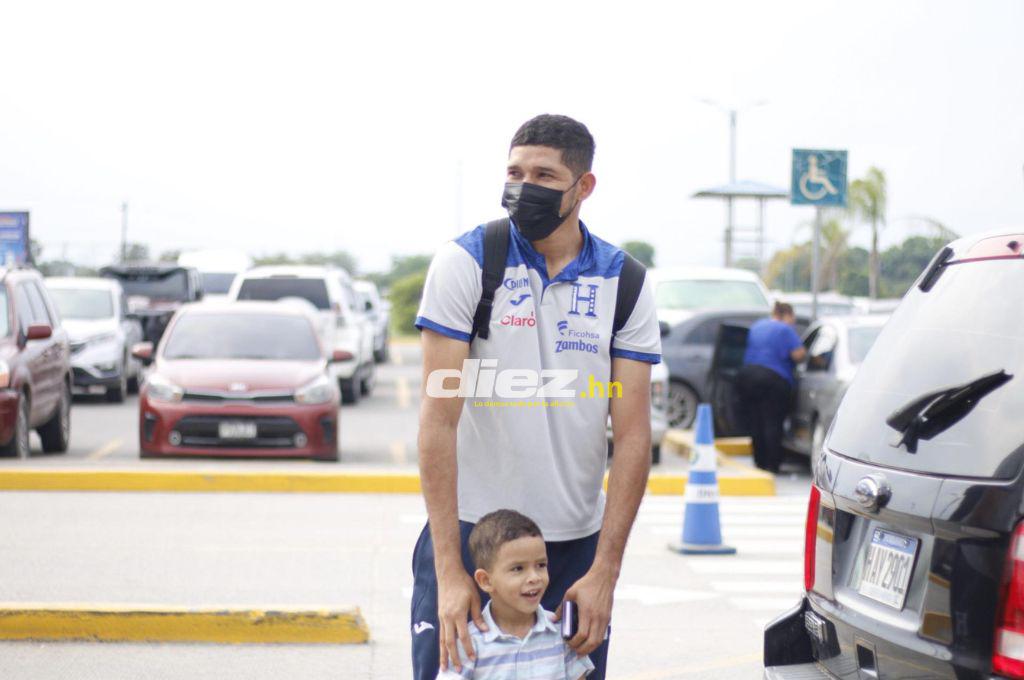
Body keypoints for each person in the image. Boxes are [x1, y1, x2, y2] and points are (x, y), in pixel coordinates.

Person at [411, 114, 662, 680]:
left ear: (584, 186)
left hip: (572, 548)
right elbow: (437, 421)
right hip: (470, 539)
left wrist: (605, 573)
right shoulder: (467, 262)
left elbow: (632, 437)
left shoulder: (626, 283)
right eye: (514, 171)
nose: (523, 187)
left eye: (544, 174)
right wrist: (449, 568)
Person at [436, 509, 594, 680]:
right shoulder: (469, 643)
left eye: (541, 565)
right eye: (518, 568)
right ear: (485, 580)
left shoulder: (561, 634)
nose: (534, 577)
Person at [737, 301, 807, 473]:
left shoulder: (757, 326)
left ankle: (759, 462)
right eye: (792, 318)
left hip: (747, 376)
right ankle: (773, 464)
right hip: (773, 379)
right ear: (786, 315)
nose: (793, 322)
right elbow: (799, 354)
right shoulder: (785, 329)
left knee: (756, 421)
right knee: (772, 422)